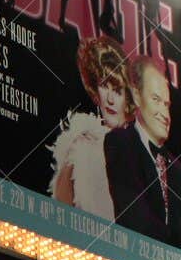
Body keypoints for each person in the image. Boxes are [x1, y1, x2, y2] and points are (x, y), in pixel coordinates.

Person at [103, 55, 181, 247]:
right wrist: (179, 247)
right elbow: (135, 219)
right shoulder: (119, 143)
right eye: (156, 100)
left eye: (166, 105)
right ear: (136, 96)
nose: (165, 114)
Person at [49, 34, 129, 218]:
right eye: (104, 86)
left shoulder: (142, 154)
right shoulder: (80, 146)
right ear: (95, 89)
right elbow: (60, 215)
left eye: (117, 90)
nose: (109, 99)